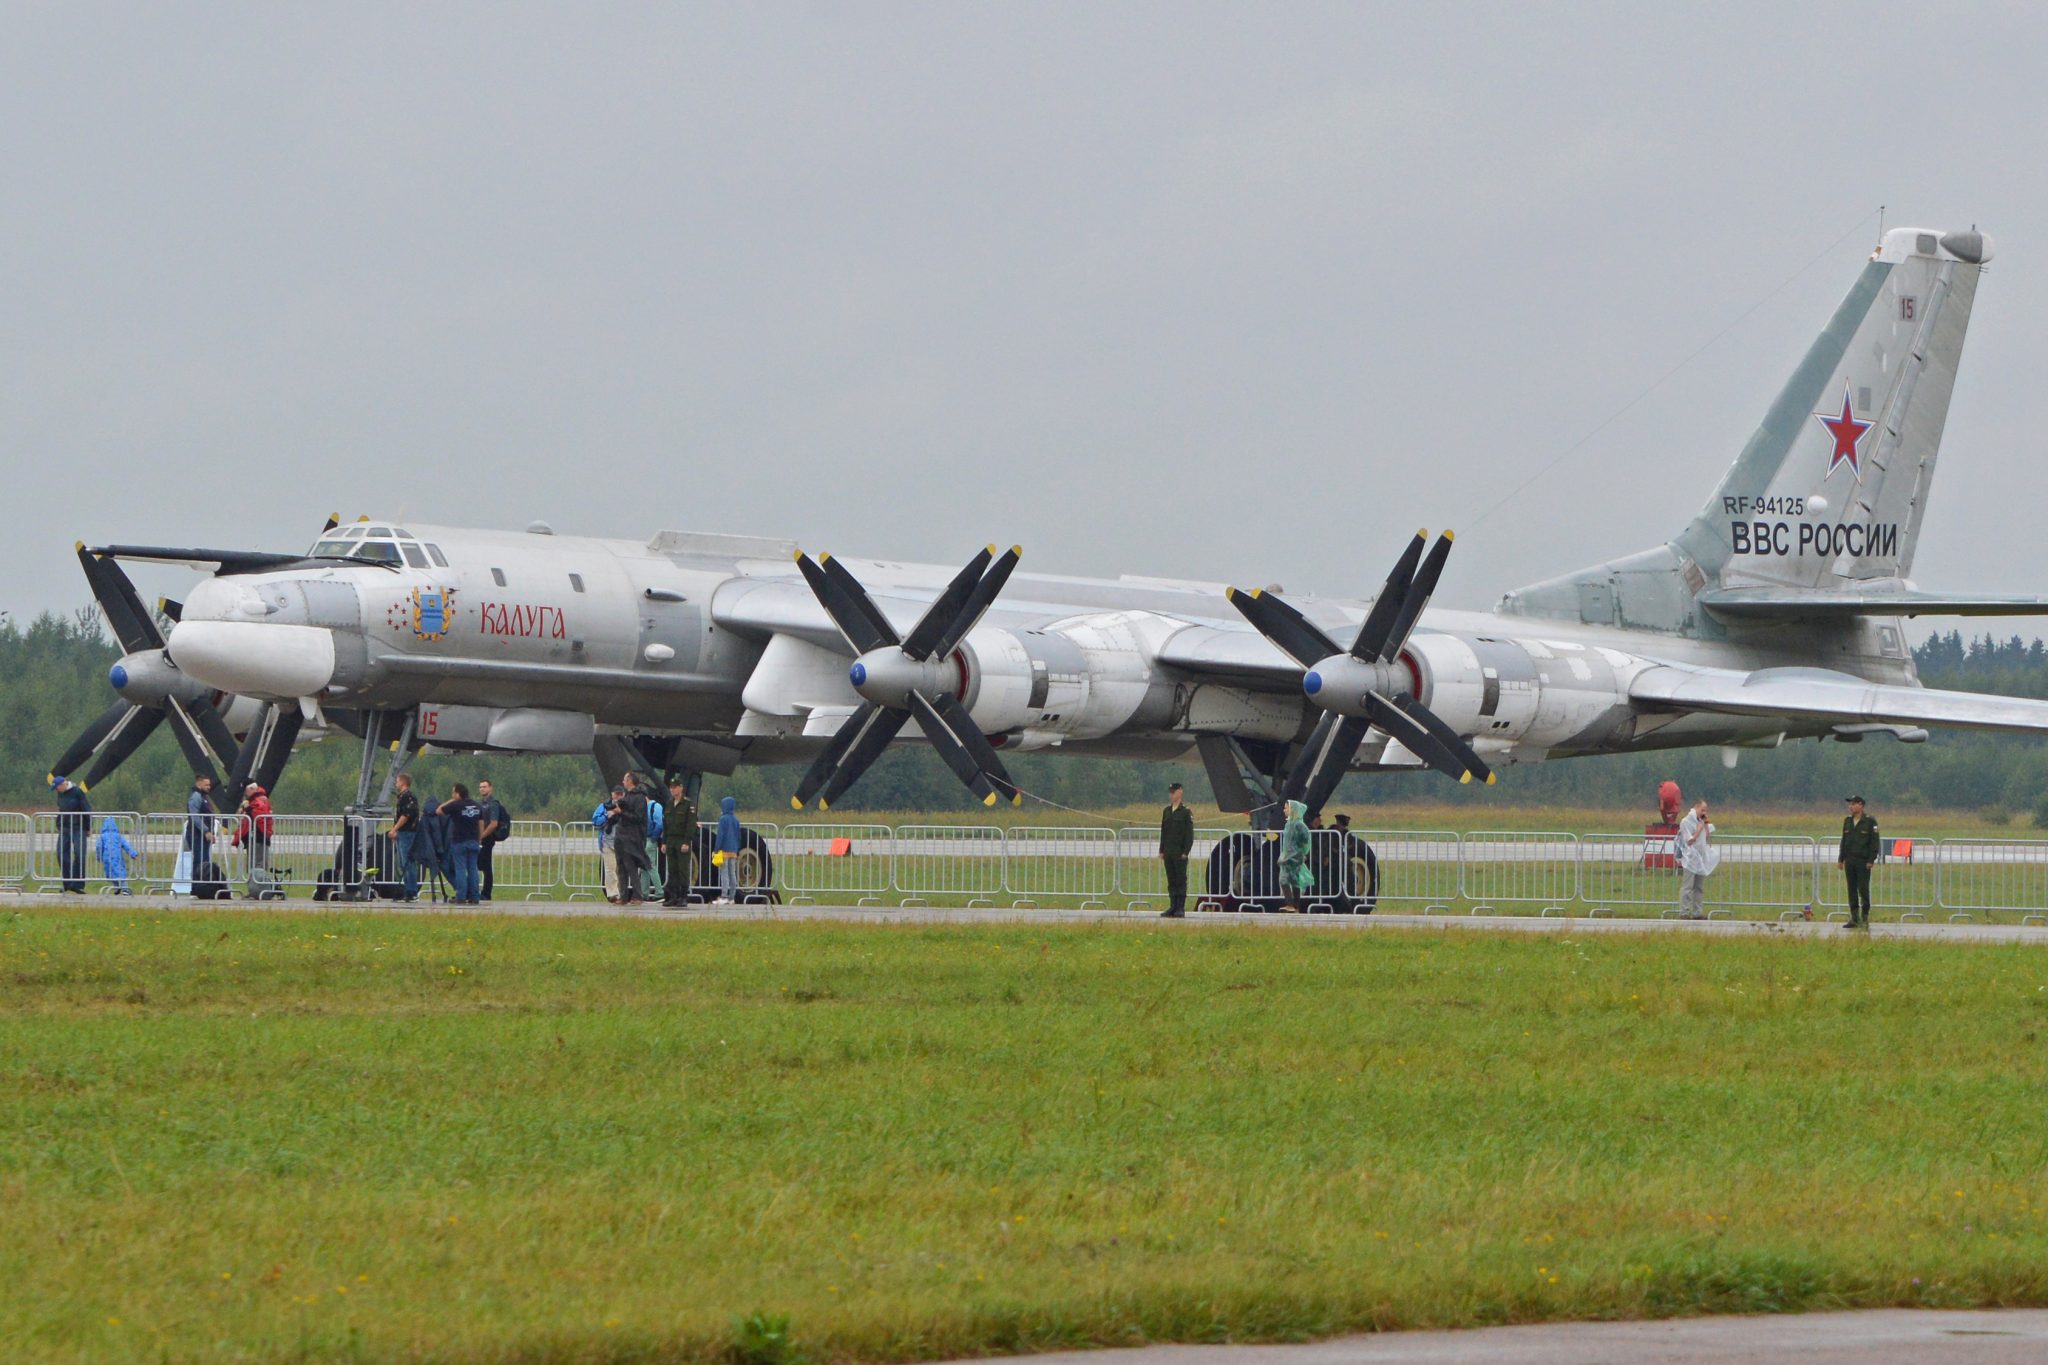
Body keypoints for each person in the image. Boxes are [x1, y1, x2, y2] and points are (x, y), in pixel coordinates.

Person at [1839, 794, 1881, 930]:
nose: (1850, 806)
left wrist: (1871, 860)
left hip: (1863, 861)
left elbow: (1874, 842)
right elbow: (1844, 840)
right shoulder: (1848, 821)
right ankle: (1854, 917)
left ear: (1861, 805)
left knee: (1863, 889)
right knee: (1851, 889)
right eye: (1850, 804)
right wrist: (1841, 859)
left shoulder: (1869, 821)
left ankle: (1864, 918)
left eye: (1853, 804)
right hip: (1850, 860)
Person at [607, 774, 650, 905]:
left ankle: (637, 895)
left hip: (632, 836)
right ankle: (623, 896)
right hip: (621, 835)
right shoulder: (627, 796)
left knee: (631, 866)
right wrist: (614, 811)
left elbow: (638, 817)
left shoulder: (639, 797)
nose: (623, 782)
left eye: (625, 779)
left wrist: (621, 812)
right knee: (621, 867)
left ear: (630, 781)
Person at [438, 782, 484, 904]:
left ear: (458, 793)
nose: (452, 795)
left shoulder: (456, 805)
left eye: (453, 793)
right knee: (473, 869)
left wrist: (451, 800)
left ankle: (461, 896)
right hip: (473, 841)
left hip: (459, 841)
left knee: (460, 869)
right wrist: (479, 838)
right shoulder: (477, 805)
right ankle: (475, 896)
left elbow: (439, 811)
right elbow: (481, 823)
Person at [1674, 797, 1718, 919]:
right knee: (1688, 886)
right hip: (1690, 859)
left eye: (1706, 810)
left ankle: (1697, 913)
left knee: (1699, 887)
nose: (1704, 813)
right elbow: (1689, 841)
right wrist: (1698, 830)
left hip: (1701, 858)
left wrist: (1705, 825)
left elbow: (1706, 837)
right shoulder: (1686, 822)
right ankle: (1684, 912)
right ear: (1696, 808)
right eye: (1702, 810)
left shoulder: (1701, 822)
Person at [1157, 782, 1196, 917]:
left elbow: (1189, 835)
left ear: (1180, 792)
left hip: (1179, 852)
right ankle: (1173, 906)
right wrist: (1161, 850)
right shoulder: (1167, 811)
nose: (1171, 795)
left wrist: (1186, 852)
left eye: (1173, 792)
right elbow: (1164, 831)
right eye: (1170, 792)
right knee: (1171, 880)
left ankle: (1180, 907)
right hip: (1168, 851)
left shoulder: (1185, 812)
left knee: (1180, 880)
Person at [51, 775, 92, 893]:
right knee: (61, 854)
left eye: (57, 787)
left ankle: (77, 884)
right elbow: (61, 809)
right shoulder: (60, 793)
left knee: (79, 854)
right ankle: (67, 883)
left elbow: (86, 809)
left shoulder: (78, 792)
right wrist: (58, 824)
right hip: (64, 828)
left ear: (63, 784)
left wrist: (88, 827)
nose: (57, 790)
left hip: (79, 827)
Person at [234, 782, 274, 896]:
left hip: (259, 838)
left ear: (252, 789)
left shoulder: (260, 800)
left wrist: (248, 808)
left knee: (259, 865)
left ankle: (261, 889)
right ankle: (253, 890)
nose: (245, 794)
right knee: (252, 865)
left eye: (247, 791)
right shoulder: (256, 800)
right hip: (252, 838)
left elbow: (259, 816)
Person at [662, 778, 698, 907]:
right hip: (671, 840)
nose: (673, 790)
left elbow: (690, 824)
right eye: (671, 787)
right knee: (672, 869)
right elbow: (665, 825)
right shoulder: (669, 804)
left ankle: (683, 896)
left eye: (675, 787)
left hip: (682, 839)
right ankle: (674, 896)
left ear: (681, 788)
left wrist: (687, 841)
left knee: (683, 869)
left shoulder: (688, 804)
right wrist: (664, 842)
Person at [390, 773, 424, 902]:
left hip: (407, 833)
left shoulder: (408, 797)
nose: (396, 784)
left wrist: (395, 829)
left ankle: (412, 891)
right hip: (402, 833)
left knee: (408, 863)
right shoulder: (402, 797)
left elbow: (406, 815)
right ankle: (407, 890)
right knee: (403, 863)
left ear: (403, 783)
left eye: (397, 781)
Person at [475, 779, 508, 901]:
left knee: (486, 867)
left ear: (490, 788)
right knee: (481, 865)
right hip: (481, 837)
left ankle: (486, 893)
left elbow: (493, 823)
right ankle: (480, 891)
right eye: (480, 787)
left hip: (488, 838)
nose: (482, 789)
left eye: (484, 786)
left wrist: (482, 836)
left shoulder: (493, 804)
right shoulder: (480, 803)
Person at [1277, 799, 1310, 911]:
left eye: (1286, 808)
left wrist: (1299, 851)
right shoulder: (1288, 824)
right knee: (1293, 880)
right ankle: (1295, 905)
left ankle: (1291, 904)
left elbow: (1305, 838)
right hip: (1288, 855)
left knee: (1285, 879)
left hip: (1294, 856)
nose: (1284, 810)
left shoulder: (1298, 824)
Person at [95, 815, 138, 894]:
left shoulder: (102, 837)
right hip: (117, 857)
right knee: (120, 872)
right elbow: (126, 845)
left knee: (110, 872)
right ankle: (125, 888)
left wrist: (98, 857)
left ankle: (116, 887)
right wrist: (133, 854)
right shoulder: (118, 836)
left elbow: (99, 847)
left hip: (106, 857)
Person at [714, 796, 743, 903]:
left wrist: (716, 848)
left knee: (724, 873)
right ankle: (732, 897)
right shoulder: (736, 820)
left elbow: (720, 835)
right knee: (732, 874)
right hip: (733, 851)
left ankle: (724, 896)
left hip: (724, 850)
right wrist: (737, 849)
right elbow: (738, 837)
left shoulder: (723, 819)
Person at [593, 792, 621, 902]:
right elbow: (595, 821)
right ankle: (612, 894)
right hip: (607, 843)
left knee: (622, 870)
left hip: (622, 843)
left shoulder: (627, 806)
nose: (618, 796)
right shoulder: (604, 806)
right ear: (612, 794)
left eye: (621, 794)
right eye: (616, 794)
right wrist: (607, 815)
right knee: (610, 869)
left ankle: (622, 893)